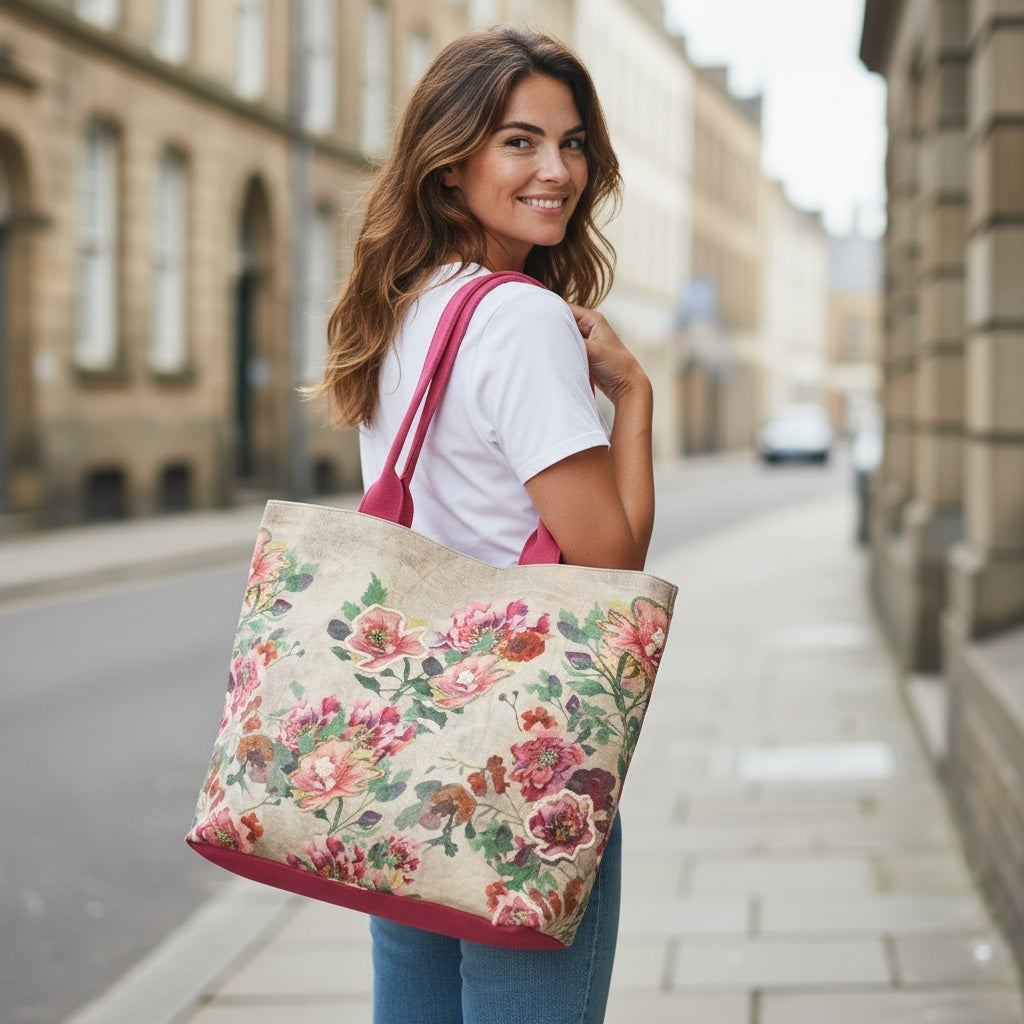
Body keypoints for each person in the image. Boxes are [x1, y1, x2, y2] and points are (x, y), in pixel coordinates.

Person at [313, 24, 654, 1024]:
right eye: (520, 141)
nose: (558, 170)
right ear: (450, 161)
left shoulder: (400, 307)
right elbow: (610, 563)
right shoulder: (521, 318)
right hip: (515, 760)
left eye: (573, 142)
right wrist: (633, 398)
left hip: (402, 756)